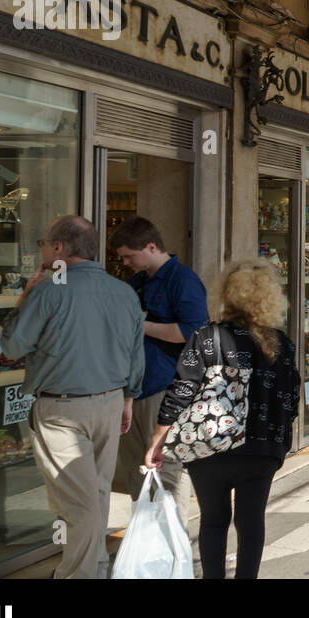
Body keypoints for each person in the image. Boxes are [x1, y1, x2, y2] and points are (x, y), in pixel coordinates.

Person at [3, 216, 144, 579]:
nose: (43, 250)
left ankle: (77, 574)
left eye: (44, 243)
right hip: (110, 401)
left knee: (78, 502)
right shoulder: (123, 291)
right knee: (94, 494)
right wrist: (128, 399)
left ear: (60, 249)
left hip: (62, 406)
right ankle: (94, 566)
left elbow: (14, 345)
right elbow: (134, 352)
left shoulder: (50, 290)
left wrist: (24, 297)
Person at [146, 259, 297, 579]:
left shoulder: (206, 337)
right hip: (260, 449)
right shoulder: (279, 343)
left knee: (213, 520)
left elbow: (180, 392)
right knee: (251, 519)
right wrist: (279, 443)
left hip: (208, 447)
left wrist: (158, 441)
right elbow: (290, 396)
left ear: (226, 294)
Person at [109, 216, 208, 510]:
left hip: (168, 388)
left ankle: (173, 547)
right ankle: (147, 541)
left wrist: (142, 326)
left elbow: (192, 333)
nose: (125, 262)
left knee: (166, 470)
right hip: (134, 387)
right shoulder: (135, 282)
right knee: (136, 471)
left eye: (129, 255)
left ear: (151, 247)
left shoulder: (184, 280)